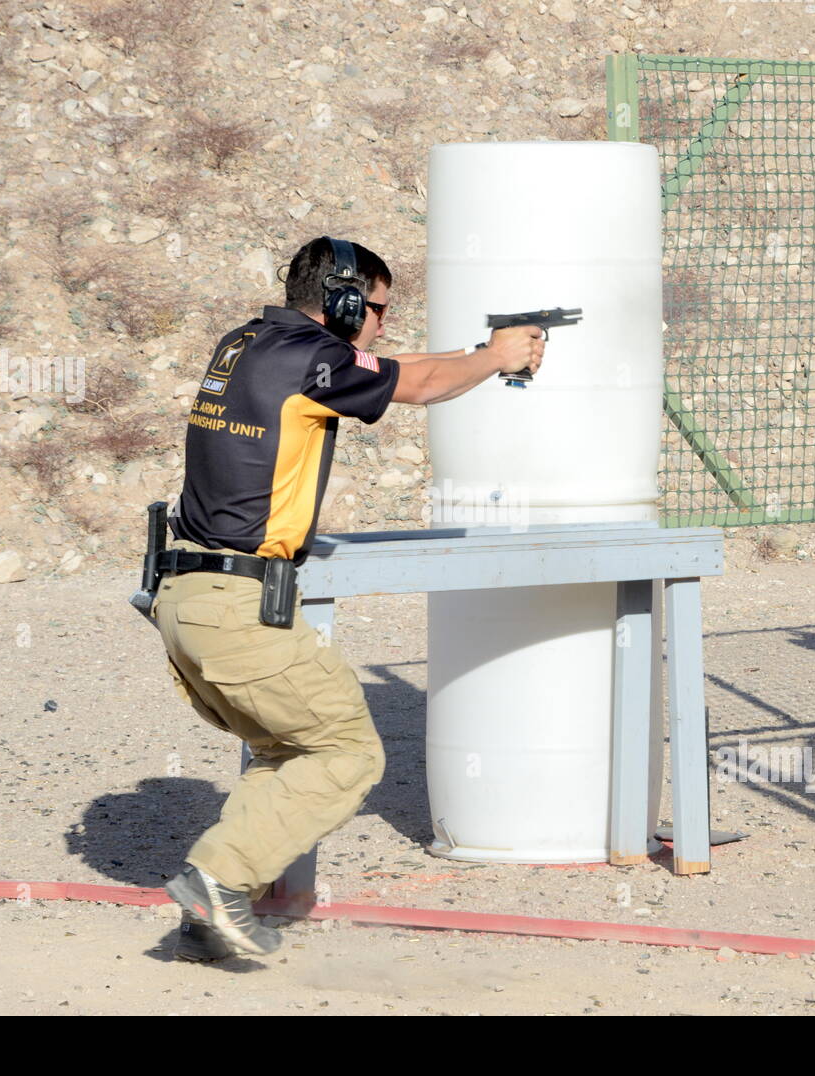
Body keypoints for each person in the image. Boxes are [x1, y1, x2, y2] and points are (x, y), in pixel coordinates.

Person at [156, 236, 544, 959]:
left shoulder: (251, 343)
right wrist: (497, 359)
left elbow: (397, 369)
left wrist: (482, 354)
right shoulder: (309, 359)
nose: (383, 323)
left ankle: (210, 910)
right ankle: (216, 879)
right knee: (347, 751)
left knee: (287, 747)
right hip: (236, 608)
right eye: (376, 308)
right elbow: (418, 386)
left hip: (189, 598)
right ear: (339, 301)